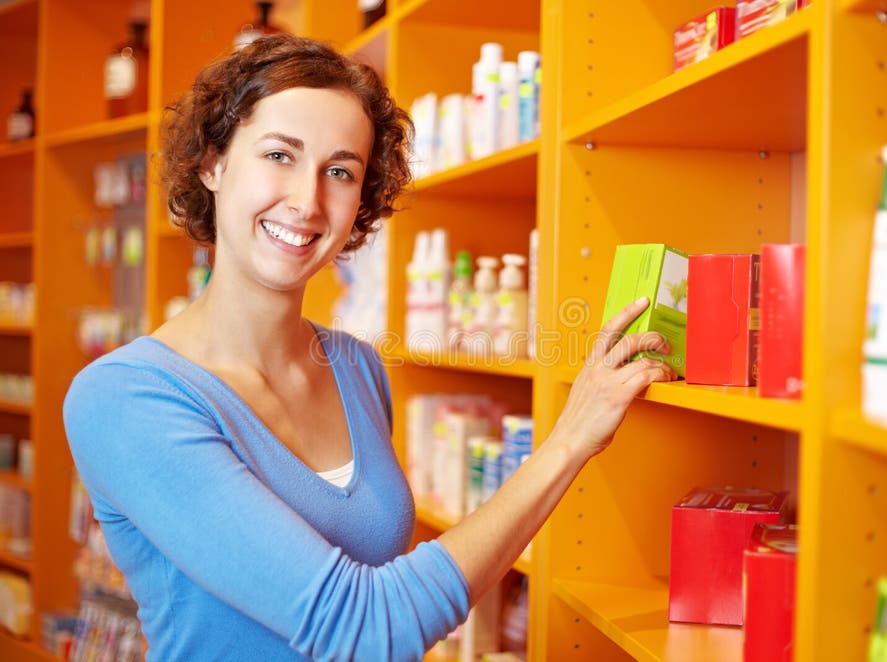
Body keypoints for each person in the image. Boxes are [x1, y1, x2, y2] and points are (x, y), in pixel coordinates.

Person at [62, 33, 677, 661]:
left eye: (339, 170)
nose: (307, 200)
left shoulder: (355, 366)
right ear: (212, 164)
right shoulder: (125, 398)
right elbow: (361, 625)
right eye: (279, 154)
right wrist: (570, 440)